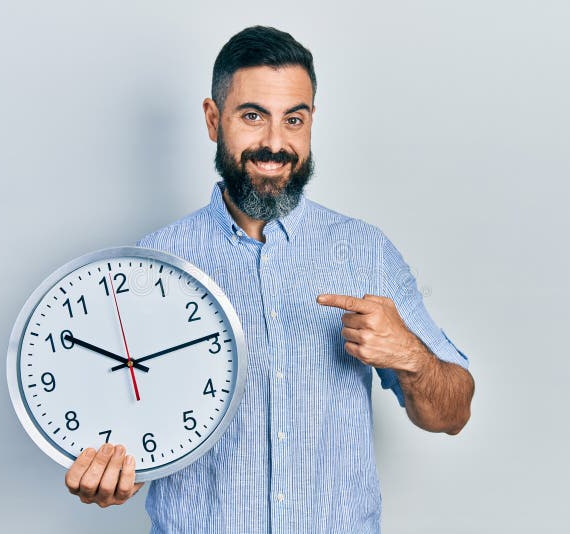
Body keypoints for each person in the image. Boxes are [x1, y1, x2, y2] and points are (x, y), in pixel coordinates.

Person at [64, 25, 475, 532]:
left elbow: (451, 414)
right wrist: (110, 475)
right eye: (253, 116)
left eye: (293, 120)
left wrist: (410, 355)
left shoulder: (366, 251)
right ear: (214, 120)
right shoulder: (152, 266)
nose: (275, 143)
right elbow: (134, 439)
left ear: (311, 122)